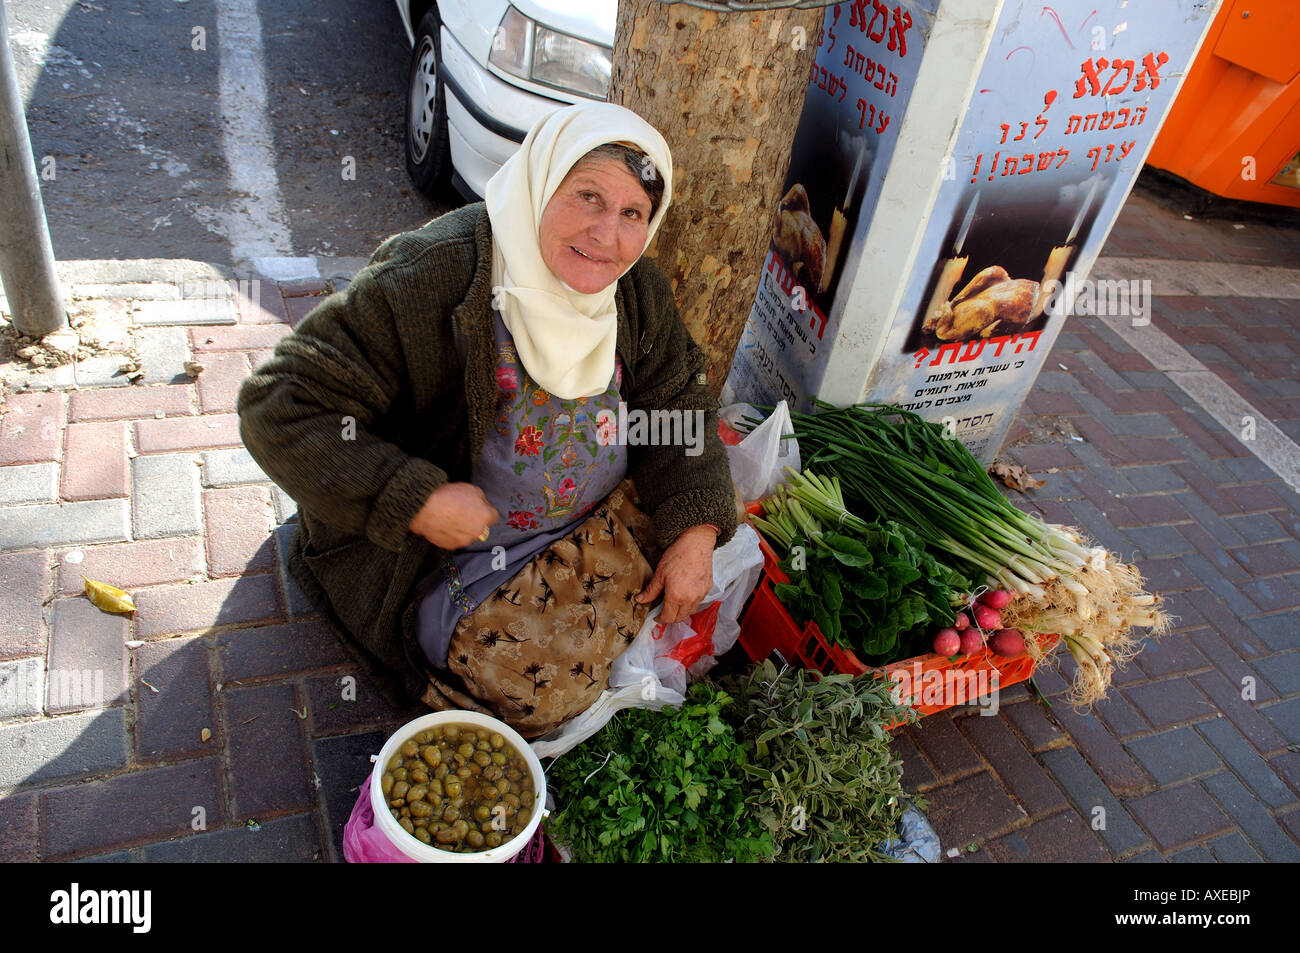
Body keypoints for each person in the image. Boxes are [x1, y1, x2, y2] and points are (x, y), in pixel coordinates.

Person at [237, 102, 738, 737]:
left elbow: (675, 401)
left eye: (632, 214)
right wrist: (412, 498)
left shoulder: (631, 288)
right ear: (540, 182)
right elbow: (277, 404)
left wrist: (695, 531)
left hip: (591, 519)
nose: (607, 235)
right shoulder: (434, 277)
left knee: (706, 530)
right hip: (461, 559)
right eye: (587, 196)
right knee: (539, 695)